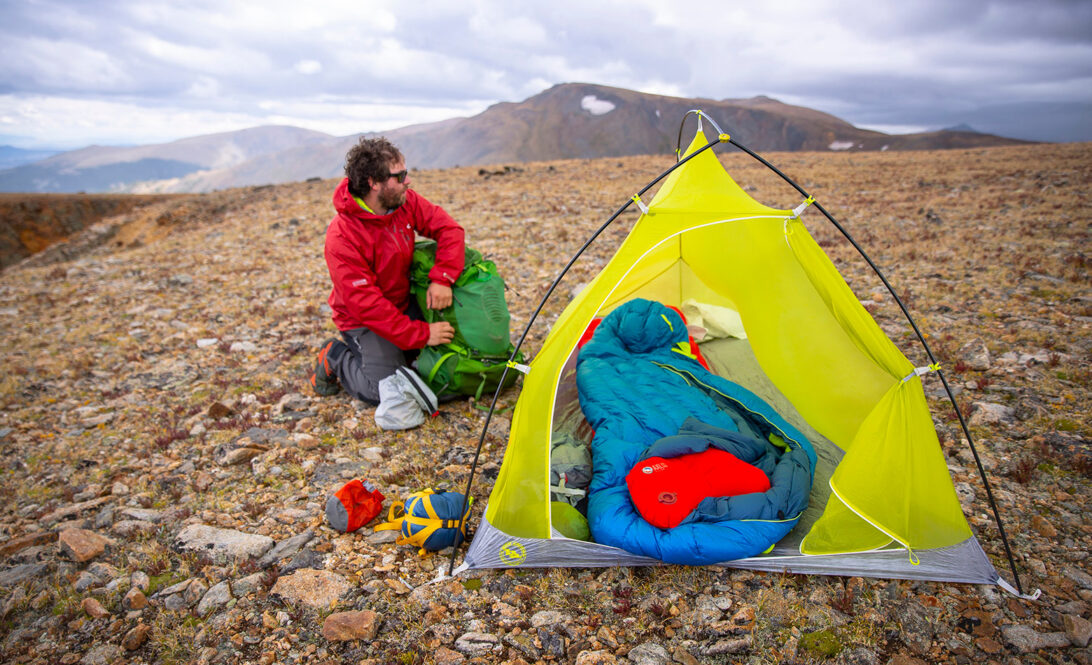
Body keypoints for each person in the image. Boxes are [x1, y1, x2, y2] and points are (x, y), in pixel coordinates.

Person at [310, 137, 465, 404]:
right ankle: (334, 356)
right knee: (383, 391)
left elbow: (449, 229)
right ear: (374, 182)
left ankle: (401, 351)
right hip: (363, 321)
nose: (408, 181)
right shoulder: (342, 236)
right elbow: (366, 306)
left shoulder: (405, 202)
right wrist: (421, 334)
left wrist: (442, 278)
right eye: (400, 175)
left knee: (449, 362)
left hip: (404, 303)